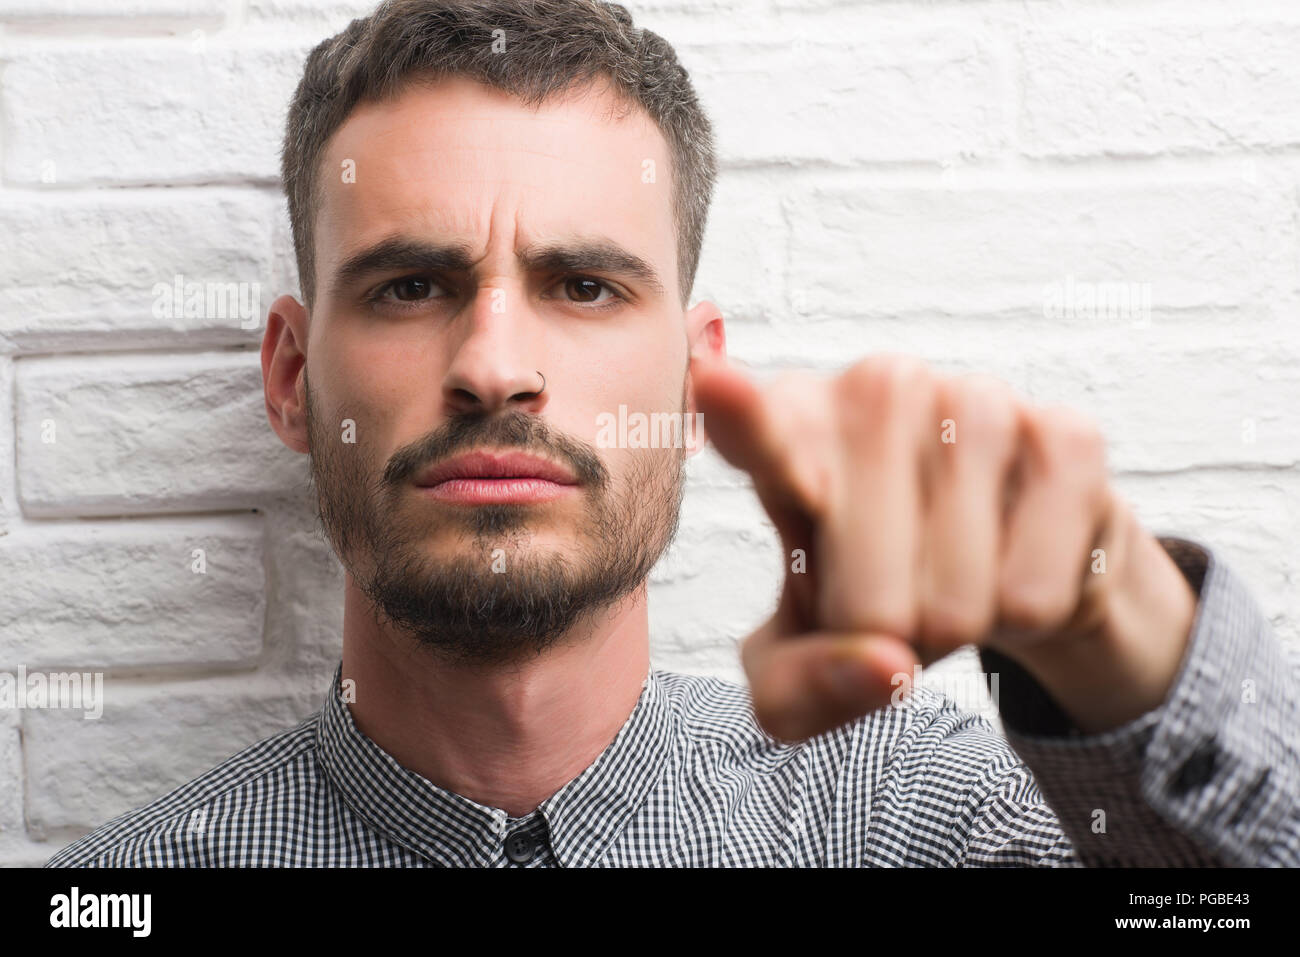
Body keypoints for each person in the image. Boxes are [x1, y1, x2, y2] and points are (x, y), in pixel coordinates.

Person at [47, 0, 1298, 868]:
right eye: (410, 286)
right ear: (291, 374)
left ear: (695, 385)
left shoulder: (924, 824)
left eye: (584, 285)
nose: (493, 367)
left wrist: (1122, 646)